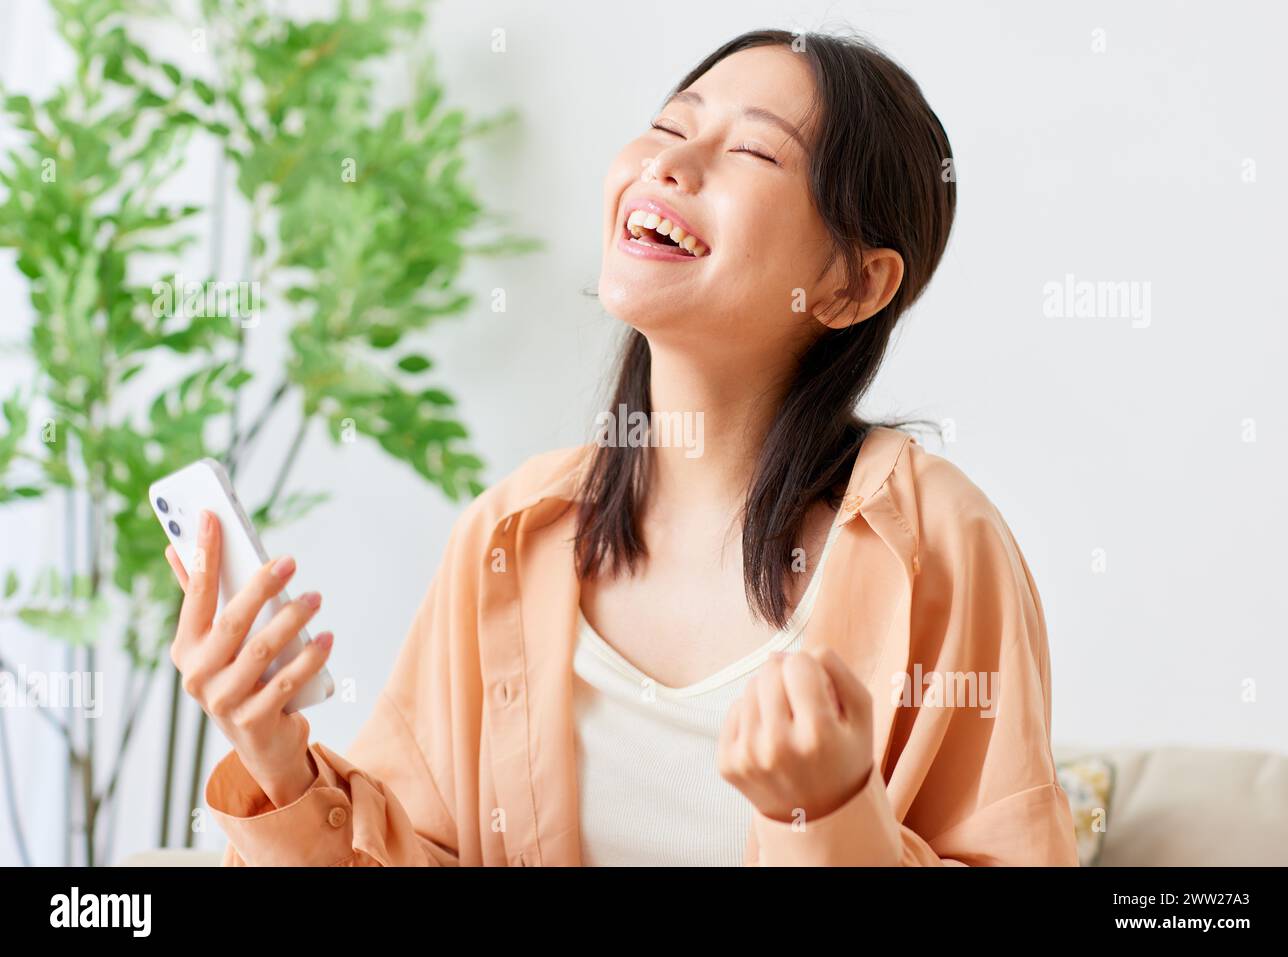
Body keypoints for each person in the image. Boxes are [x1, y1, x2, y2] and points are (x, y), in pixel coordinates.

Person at [165, 28, 1078, 866]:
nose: (668, 165)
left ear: (851, 284)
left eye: (753, 150)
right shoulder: (512, 535)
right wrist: (279, 763)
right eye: (667, 126)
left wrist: (834, 813)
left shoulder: (936, 545)